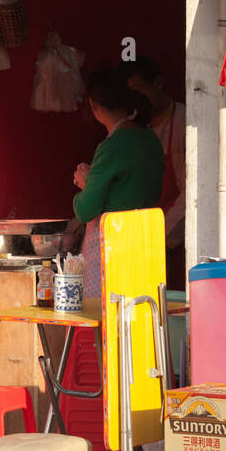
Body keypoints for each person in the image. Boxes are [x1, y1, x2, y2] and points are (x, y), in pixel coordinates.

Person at [71, 67, 165, 295]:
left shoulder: (111, 147)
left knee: (109, 323)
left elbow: (85, 209)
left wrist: (84, 182)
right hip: (144, 247)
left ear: (95, 106)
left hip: (113, 252)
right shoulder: (151, 140)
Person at [120, 56, 186, 284]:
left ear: (157, 83)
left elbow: (189, 195)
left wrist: (158, 237)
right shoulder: (133, 126)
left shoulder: (183, 123)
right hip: (138, 239)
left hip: (171, 243)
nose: (136, 99)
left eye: (138, 90)